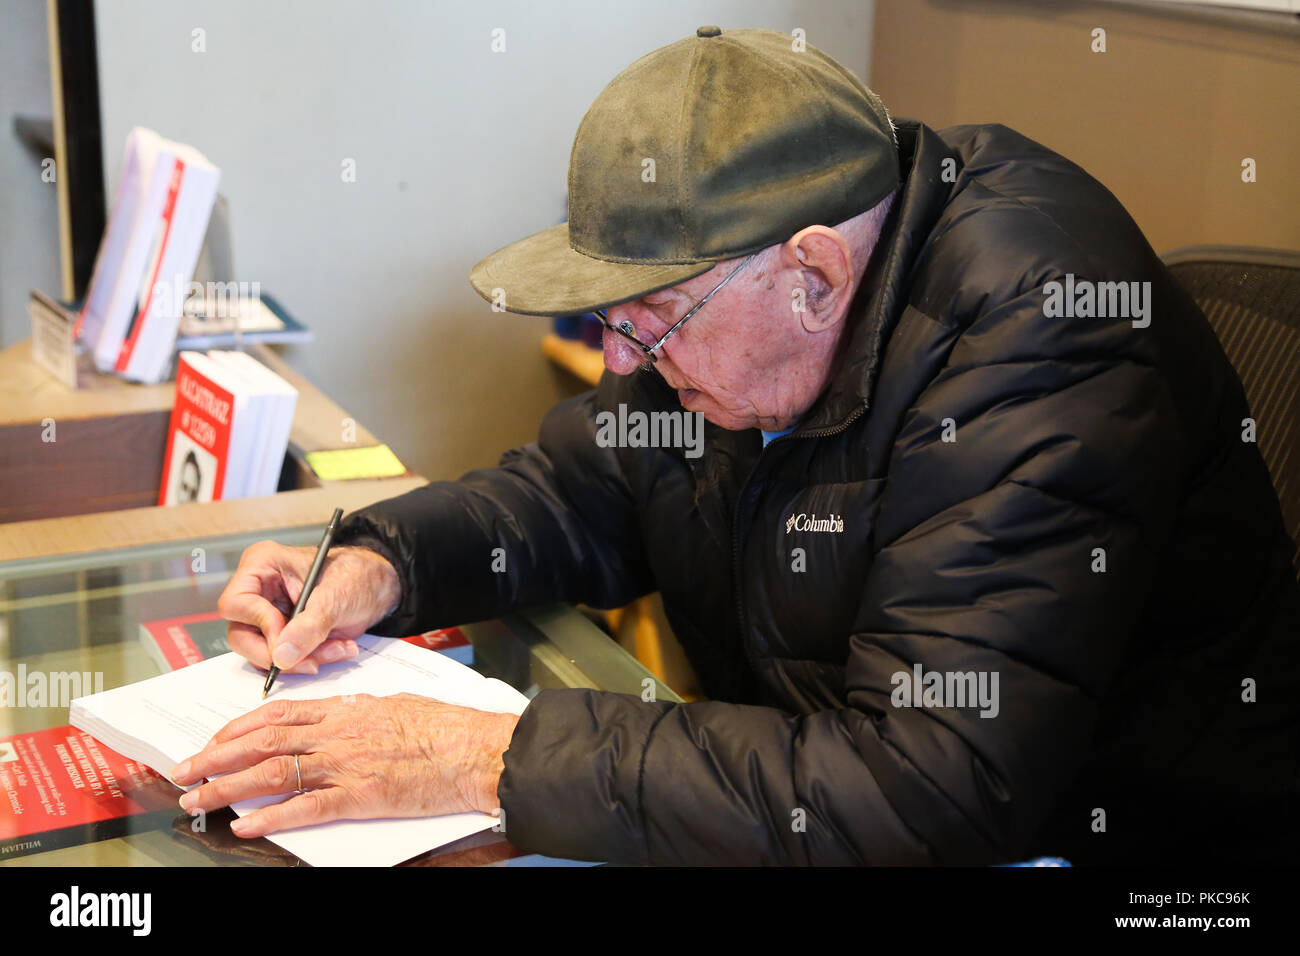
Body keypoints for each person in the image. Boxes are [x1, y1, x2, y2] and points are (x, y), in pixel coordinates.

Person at [170, 27, 1300, 865]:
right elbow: (576, 486)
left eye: (647, 318)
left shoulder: (1048, 337)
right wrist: (383, 560)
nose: (618, 358)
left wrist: (490, 754)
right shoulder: (744, 327)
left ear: (810, 273)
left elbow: (933, 783)